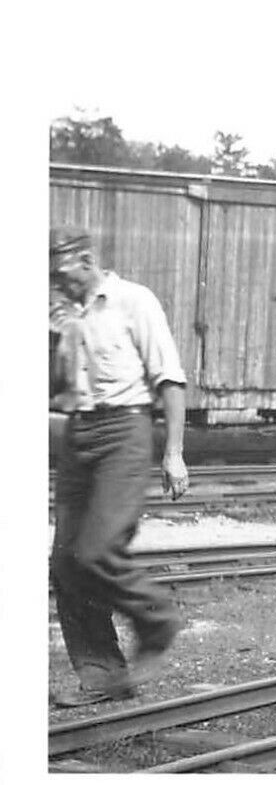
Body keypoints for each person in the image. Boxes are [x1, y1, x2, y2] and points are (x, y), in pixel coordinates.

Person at [48, 225, 189, 707]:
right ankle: (101, 673)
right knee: (67, 561)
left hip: (124, 434)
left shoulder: (134, 301)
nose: (56, 284)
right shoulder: (64, 316)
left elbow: (169, 379)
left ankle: (159, 617)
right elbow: (54, 388)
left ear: (85, 260)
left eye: (61, 273)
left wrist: (173, 453)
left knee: (97, 550)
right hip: (77, 435)